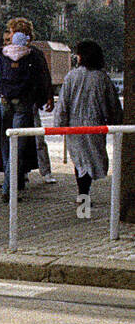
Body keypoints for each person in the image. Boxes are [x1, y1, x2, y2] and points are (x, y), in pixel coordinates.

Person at [0, 20, 54, 202]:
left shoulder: (1, 52)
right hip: (24, 103)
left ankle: (9, 183)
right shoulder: (33, 54)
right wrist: (45, 98)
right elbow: (44, 77)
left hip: (4, 101)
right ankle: (10, 187)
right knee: (19, 146)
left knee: (6, 145)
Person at [55, 40, 122, 217]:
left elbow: (63, 103)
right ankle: (84, 200)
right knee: (91, 161)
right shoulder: (102, 78)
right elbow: (112, 105)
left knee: (80, 162)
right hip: (95, 126)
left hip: (74, 127)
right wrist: (116, 123)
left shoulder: (71, 76)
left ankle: (83, 199)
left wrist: (59, 125)